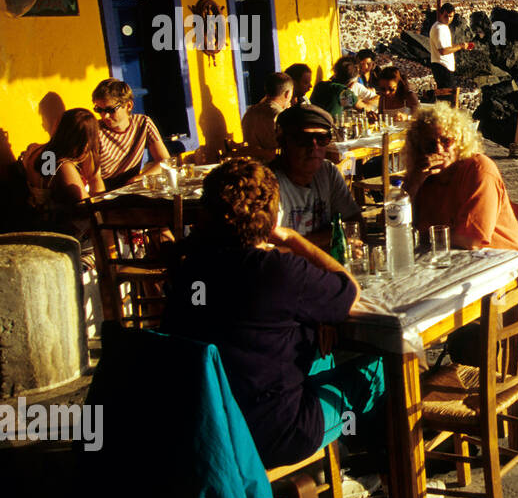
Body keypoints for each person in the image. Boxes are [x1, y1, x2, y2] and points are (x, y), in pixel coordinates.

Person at [162, 158, 384, 469]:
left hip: (206, 429)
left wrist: (311, 320)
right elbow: (348, 289)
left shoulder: (191, 268)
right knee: (375, 367)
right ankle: (381, 477)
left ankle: (333, 464)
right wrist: (292, 238)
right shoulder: (279, 271)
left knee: (322, 354)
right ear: (272, 215)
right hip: (275, 434)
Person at [402, 104, 518, 253]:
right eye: (430, 144)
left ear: (460, 141)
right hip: (448, 257)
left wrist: (419, 237)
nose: (438, 149)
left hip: (502, 261)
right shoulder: (422, 176)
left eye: (446, 141)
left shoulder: (479, 169)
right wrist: (414, 183)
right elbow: (393, 223)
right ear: (419, 147)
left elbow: (471, 240)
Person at [270, 103, 361, 246]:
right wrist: (330, 237)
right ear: (283, 142)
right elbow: (270, 250)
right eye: (303, 139)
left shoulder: (327, 172)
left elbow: (354, 225)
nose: (314, 146)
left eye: (322, 138)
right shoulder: (269, 184)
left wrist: (297, 243)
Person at [22, 107, 104, 216]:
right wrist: (94, 177)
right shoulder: (64, 167)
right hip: (60, 224)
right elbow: (87, 207)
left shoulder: (41, 150)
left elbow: (46, 180)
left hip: (41, 215)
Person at [92, 79, 167, 189]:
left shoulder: (143, 123)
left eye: (110, 110)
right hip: (106, 189)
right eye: (99, 110)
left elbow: (164, 161)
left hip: (131, 186)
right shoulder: (95, 131)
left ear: (128, 105)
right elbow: (94, 179)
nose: (104, 116)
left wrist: (139, 178)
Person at [240, 72, 294, 162]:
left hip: (254, 168)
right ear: (287, 94)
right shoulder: (279, 116)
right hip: (275, 168)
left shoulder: (249, 112)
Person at [428, 3, 473, 90]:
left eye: (450, 16)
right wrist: (460, 46)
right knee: (447, 98)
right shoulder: (439, 29)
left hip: (444, 66)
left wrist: (462, 46)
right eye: (446, 16)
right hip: (442, 67)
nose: (448, 19)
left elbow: (446, 47)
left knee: (446, 96)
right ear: (440, 14)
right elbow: (443, 51)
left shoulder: (443, 27)